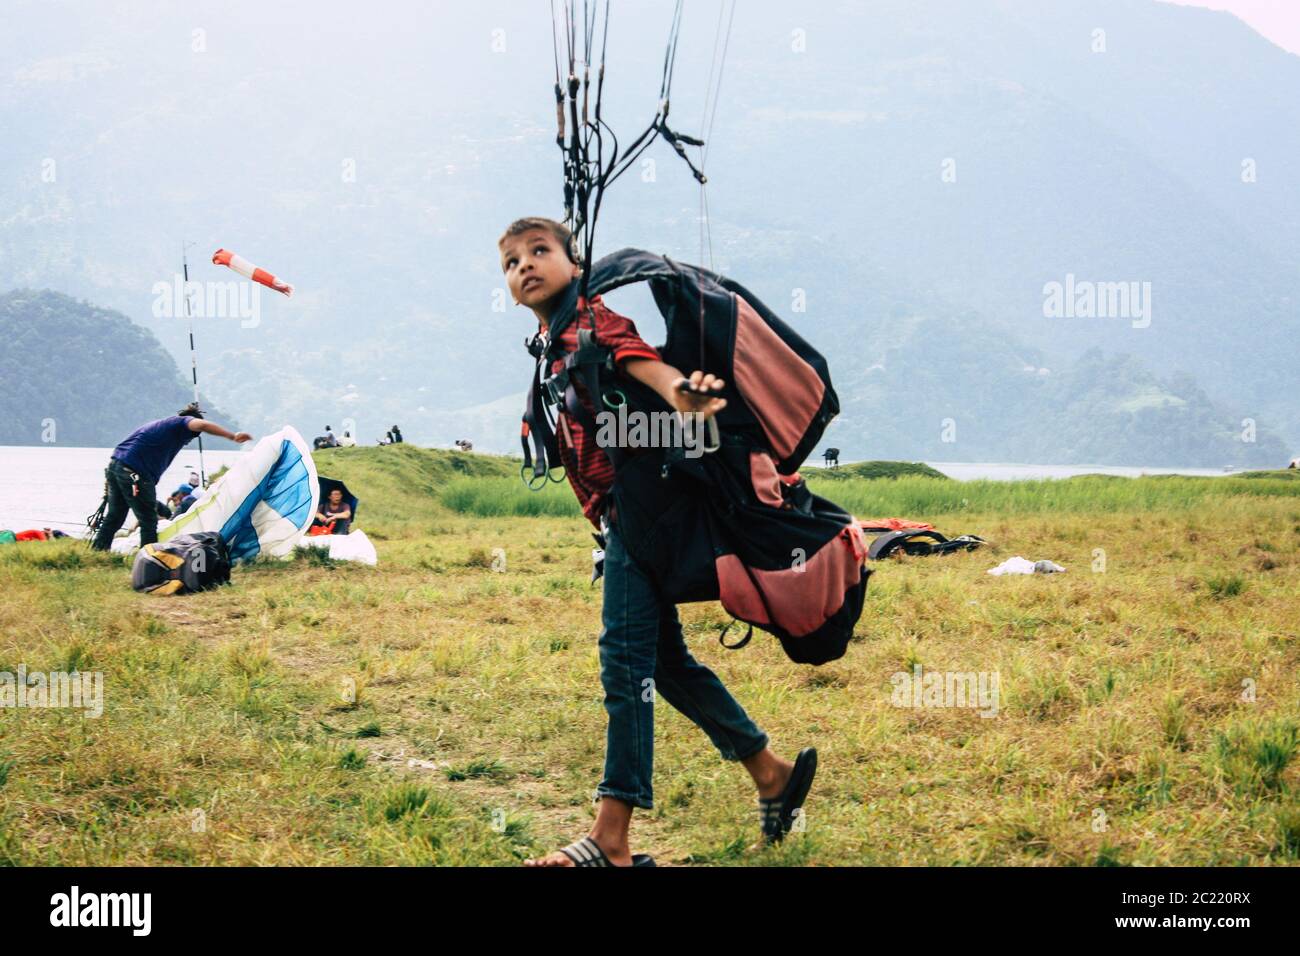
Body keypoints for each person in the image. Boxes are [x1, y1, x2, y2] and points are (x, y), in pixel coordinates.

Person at [499, 218, 815, 868]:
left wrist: (681, 393)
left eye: (539, 252)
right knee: (665, 665)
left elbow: (643, 365)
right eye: (510, 262)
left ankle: (611, 840)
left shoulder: (592, 321)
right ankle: (772, 775)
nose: (524, 266)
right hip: (625, 520)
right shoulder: (550, 341)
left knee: (623, 662)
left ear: (574, 262)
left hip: (643, 517)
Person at [91, 404, 251, 550]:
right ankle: (149, 559)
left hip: (116, 465)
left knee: (115, 517)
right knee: (148, 519)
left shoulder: (162, 425)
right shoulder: (183, 423)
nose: (187, 441)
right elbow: (202, 424)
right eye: (192, 437)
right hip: (135, 472)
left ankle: (98, 551)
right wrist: (232, 436)